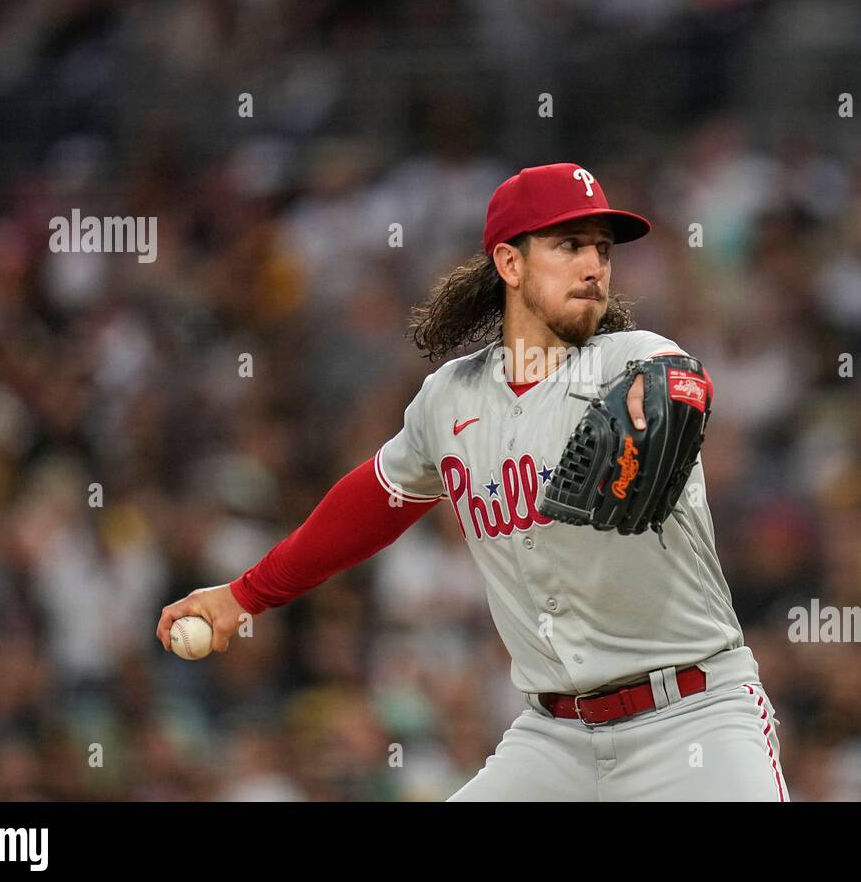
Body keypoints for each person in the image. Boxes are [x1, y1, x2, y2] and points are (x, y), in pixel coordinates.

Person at [157, 162, 790, 801]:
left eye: (602, 248)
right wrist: (244, 595)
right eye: (569, 245)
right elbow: (370, 505)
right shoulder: (450, 398)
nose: (594, 265)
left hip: (692, 719)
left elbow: (682, 380)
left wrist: (681, 393)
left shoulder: (629, 359)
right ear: (510, 265)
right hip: (556, 739)